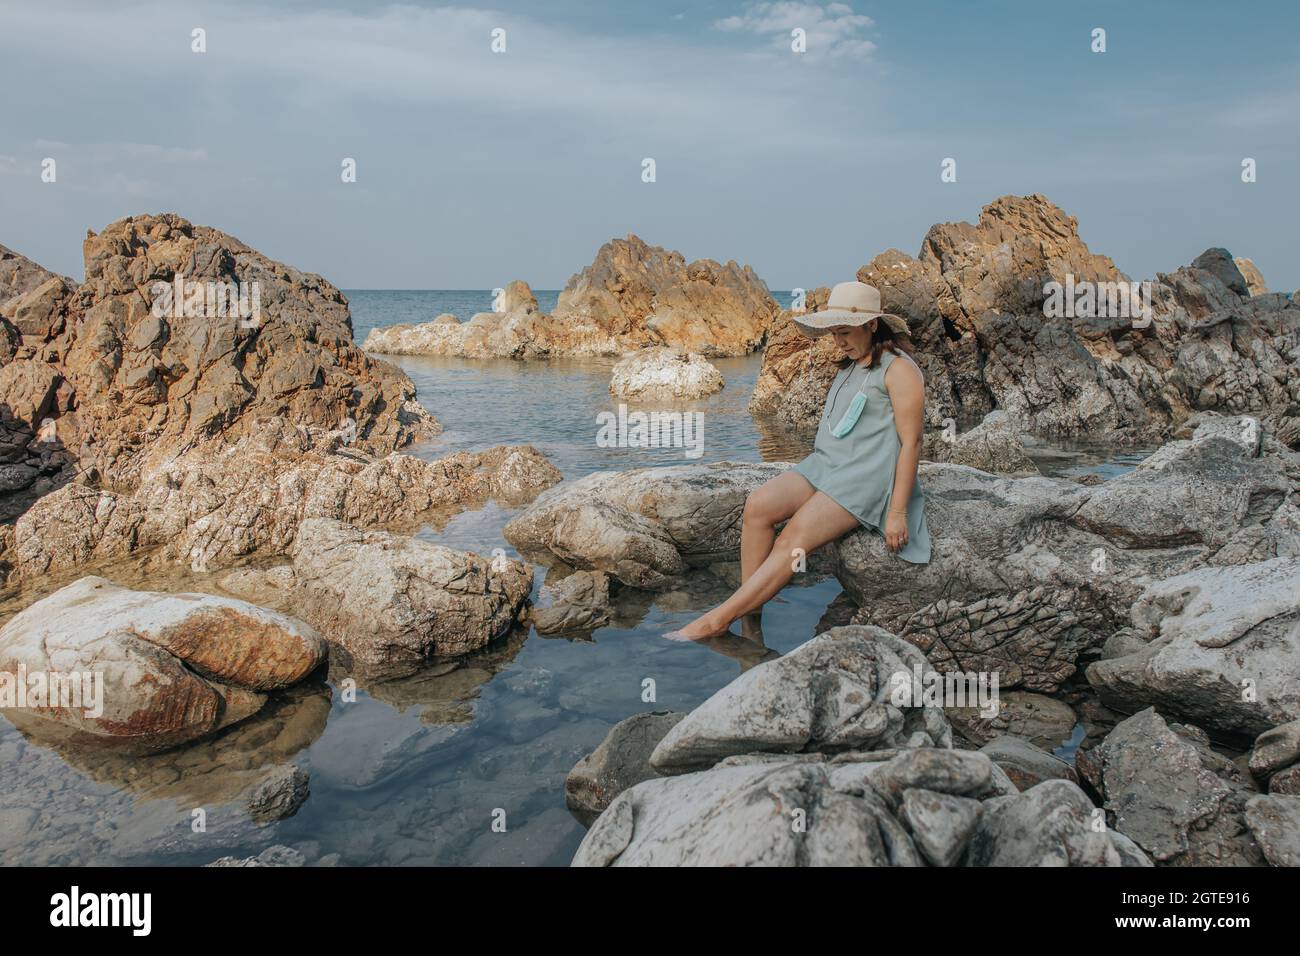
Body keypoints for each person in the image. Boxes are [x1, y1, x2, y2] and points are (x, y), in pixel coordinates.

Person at [667, 281, 930, 641]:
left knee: (793, 537)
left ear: (872, 325)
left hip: (865, 476)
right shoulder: (851, 366)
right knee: (758, 506)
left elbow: (911, 441)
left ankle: (718, 620)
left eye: (845, 332)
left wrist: (897, 512)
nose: (838, 342)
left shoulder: (899, 370)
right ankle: (750, 614)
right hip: (827, 464)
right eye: (834, 333)